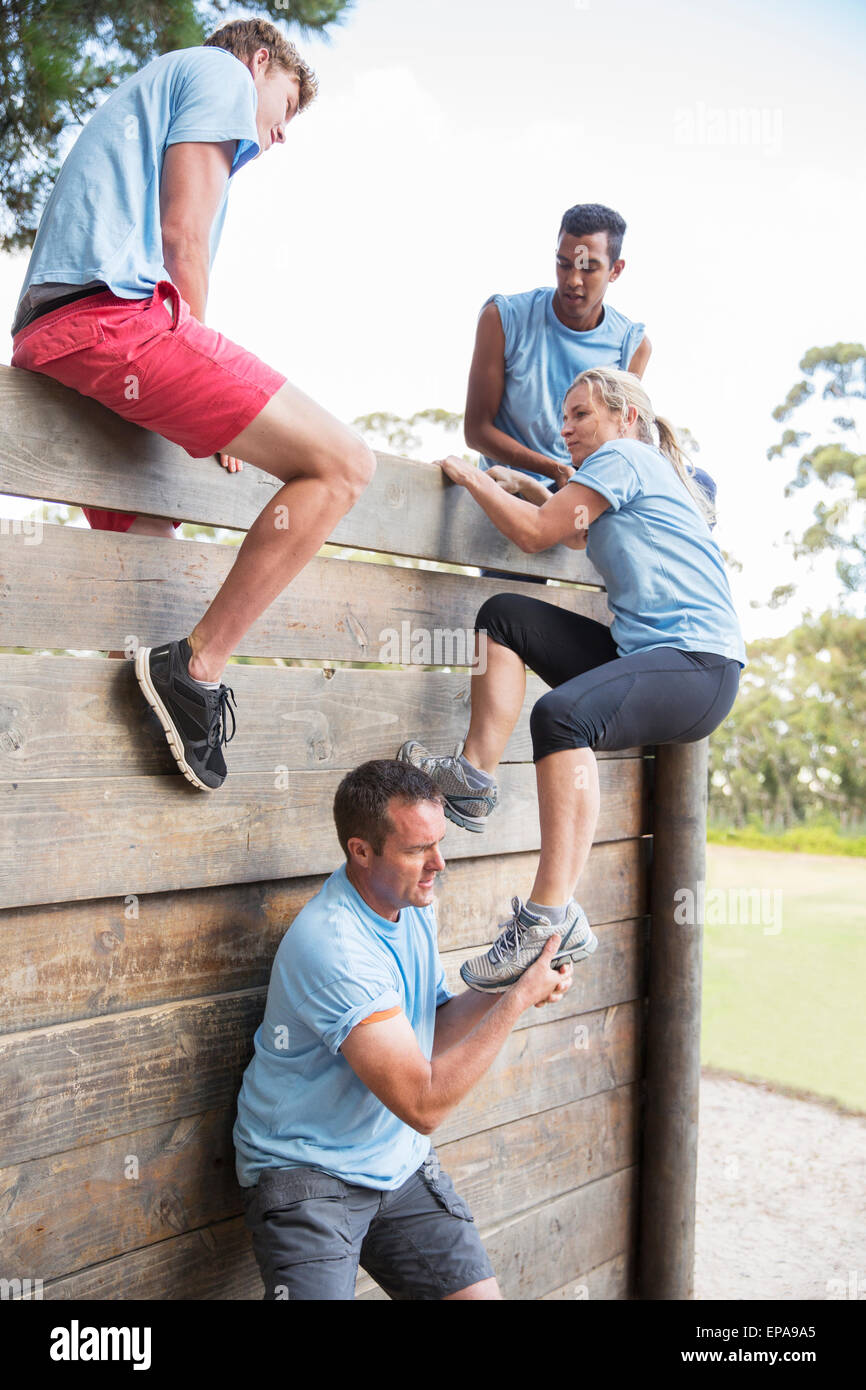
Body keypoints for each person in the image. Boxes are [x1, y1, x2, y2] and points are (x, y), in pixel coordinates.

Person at [9, 18, 376, 791]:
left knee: (148, 546)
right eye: (286, 105)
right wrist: (206, 378)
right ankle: (196, 668)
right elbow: (185, 240)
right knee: (345, 465)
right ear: (261, 60)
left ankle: (114, 760)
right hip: (107, 319)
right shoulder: (220, 75)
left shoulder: (157, 98)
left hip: (55, 329)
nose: (278, 134)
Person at [398, 366, 744, 992]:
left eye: (580, 413)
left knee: (560, 715)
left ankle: (549, 917)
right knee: (504, 617)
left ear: (625, 418)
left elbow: (538, 537)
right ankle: (473, 780)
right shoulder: (631, 471)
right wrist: (529, 488)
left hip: (698, 666)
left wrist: (475, 476)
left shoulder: (624, 456)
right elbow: (575, 527)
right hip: (643, 654)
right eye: (564, 417)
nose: (566, 428)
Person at [233, 759, 574, 1301]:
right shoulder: (335, 947)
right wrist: (515, 1005)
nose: (437, 863)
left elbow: (430, 1028)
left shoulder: (411, 902)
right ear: (361, 851)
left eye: (438, 843)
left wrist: (512, 984)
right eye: (417, 850)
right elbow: (424, 1104)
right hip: (309, 1171)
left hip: (395, 1163)